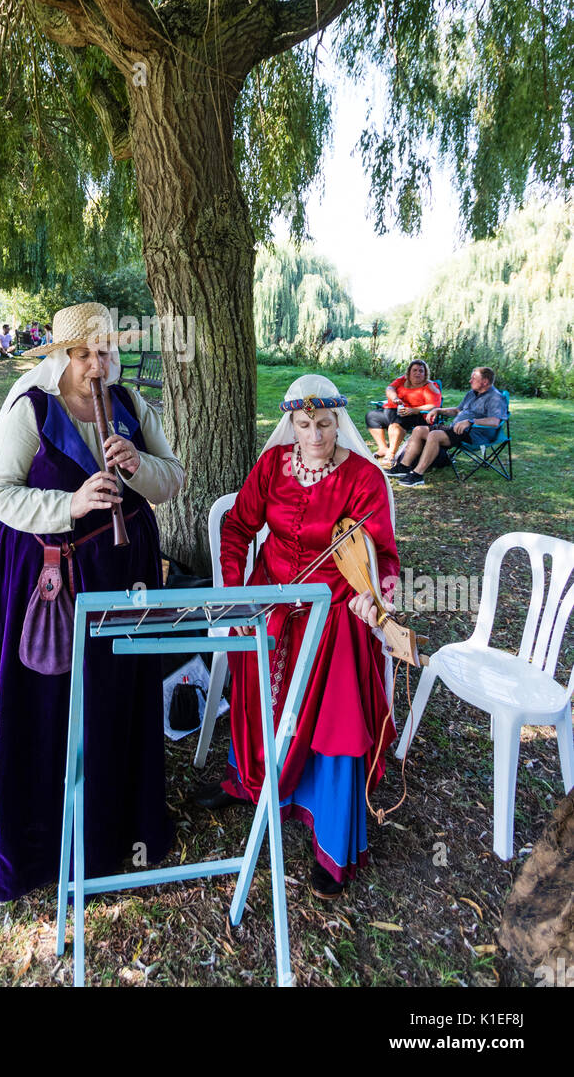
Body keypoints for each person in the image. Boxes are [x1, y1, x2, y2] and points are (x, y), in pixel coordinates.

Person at [0, 301, 184, 902]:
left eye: (103, 352)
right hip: (46, 581)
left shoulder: (131, 407)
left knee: (113, 695)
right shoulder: (31, 409)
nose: (95, 366)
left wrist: (138, 468)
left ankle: (113, 831)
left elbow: (173, 479)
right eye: (83, 355)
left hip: (123, 575)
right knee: (48, 702)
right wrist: (71, 504)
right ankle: (41, 841)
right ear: (60, 355)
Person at [194, 374, 399, 901]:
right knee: (256, 685)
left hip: (332, 609)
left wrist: (373, 596)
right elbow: (237, 526)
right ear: (291, 423)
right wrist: (238, 589)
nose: (313, 436)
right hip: (270, 599)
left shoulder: (361, 478)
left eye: (324, 425)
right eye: (303, 425)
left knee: (336, 702)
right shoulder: (271, 466)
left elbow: (385, 559)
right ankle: (252, 781)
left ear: (339, 422)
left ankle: (330, 835)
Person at [394, 365, 507, 487]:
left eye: (473, 378)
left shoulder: (495, 397)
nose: (470, 381)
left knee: (434, 435)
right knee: (419, 430)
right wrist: (438, 410)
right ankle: (403, 467)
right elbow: (458, 410)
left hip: (476, 434)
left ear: (485, 382)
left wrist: (471, 422)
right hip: (457, 429)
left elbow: (495, 421)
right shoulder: (472, 393)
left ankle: (417, 474)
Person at [364, 359, 441, 466]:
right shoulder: (403, 380)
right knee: (371, 416)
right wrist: (394, 398)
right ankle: (383, 448)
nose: (417, 373)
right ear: (409, 372)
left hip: (417, 415)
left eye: (421, 371)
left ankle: (391, 454)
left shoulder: (430, 386)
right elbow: (390, 388)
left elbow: (434, 405)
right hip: (393, 411)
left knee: (396, 423)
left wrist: (414, 410)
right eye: (414, 370)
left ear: (425, 373)